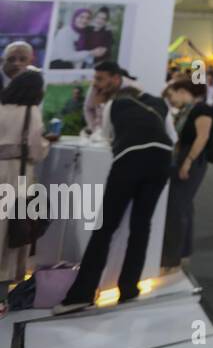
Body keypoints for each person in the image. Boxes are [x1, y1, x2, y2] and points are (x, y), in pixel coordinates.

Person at [55, 62, 172, 315]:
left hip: (131, 159)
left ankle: (81, 295)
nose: (97, 83)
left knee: (105, 227)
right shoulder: (156, 104)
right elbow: (167, 131)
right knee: (142, 226)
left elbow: (104, 136)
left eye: (100, 78)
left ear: (116, 81)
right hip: (163, 159)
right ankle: (129, 289)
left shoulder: (113, 104)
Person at [0, 69, 50, 284]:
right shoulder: (32, 112)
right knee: (14, 228)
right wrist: (48, 143)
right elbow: (36, 151)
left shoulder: (1, 108)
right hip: (19, 175)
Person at [160, 81, 213, 272]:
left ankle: (171, 259)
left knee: (176, 208)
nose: (171, 101)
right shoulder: (188, 110)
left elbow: (202, 137)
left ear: (183, 92)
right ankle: (182, 254)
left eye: (172, 96)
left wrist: (188, 161)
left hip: (193, 160)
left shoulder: (201, 110)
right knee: (184, 207)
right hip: (186, 158)